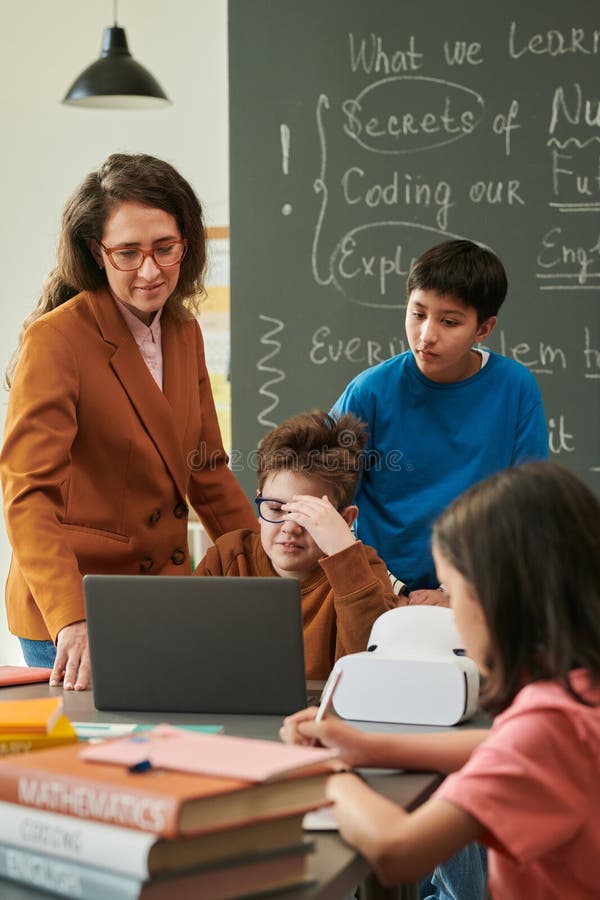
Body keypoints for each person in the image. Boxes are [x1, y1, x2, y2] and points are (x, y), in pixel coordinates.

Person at [280, 461, 600, 900]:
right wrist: (366, 747)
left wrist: (330, 774)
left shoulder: (549, 724)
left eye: (450, 591)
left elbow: (396, 853)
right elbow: (500, 746)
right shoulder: (576, 694)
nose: (445, 611)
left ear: (496, 598)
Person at [0, 153, 257, 691]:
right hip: (75, 609)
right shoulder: (57, 340)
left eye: (166, 248)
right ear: (97, 253)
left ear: (187, 242)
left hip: (162, 597)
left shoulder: (184, 330)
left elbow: (206, 471)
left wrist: (266, 575)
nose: (151, 270)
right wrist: (72, 618)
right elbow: (27, 495)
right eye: (128, 253)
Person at [332, 239, 549, 605]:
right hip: (378, 591)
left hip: (480, 594)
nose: (427, 335)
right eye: (417, 314)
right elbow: (324, 493)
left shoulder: (515, 388)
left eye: (449, 322)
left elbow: (527, 509)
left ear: (484, 328)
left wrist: (458, 593)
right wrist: (382, 586)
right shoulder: (369, 391)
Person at [194, 410, 397, 679]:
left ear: (344, 519)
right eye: (276, 509)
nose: (290, 526)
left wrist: (344, 553)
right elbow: (188, 649)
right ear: (259, 501)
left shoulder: (362, 570)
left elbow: (377, 670)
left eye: (308, 514)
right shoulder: (228, 557)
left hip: (326, 716)